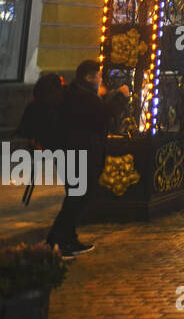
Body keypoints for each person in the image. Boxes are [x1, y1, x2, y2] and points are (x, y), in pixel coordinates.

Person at [47, 61, 130, 257]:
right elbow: (103, 117)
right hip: (79, 153)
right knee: (78, 197)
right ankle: (57, 240)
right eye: (98, 76)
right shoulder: (84, 97)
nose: (100, 80)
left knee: (76, 196)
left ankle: (66, 238)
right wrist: (121, 97)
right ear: (89, 77)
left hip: (71, 152)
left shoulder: (76, 93)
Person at [16, 73, 66, 206]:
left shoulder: (35, 104)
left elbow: (25, 131)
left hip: (44, 145)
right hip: (47, 146)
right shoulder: (53, 106)